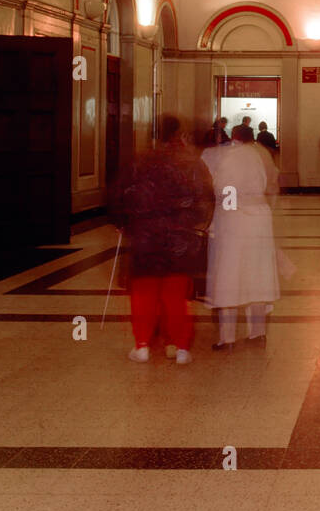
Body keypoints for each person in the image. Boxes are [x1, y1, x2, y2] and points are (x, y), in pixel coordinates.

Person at [109, 115, 215, 365]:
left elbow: (118, 196)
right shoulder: (190, 163)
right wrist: (194, 223)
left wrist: (122, 223)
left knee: (144, 292)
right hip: (178, 239)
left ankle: (142, 345)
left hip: (145, 238)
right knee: (176, 295)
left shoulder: (138, 161)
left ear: (152, 133)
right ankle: (178, 347)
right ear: (178, 133)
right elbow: (205, 198)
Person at [201, 123, 280, 349]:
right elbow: (271, 184)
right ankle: (258, 332)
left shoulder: (230, 157)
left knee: (229, 277)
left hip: (234, 224)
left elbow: (225, 191)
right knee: (258, 275)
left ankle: (227, 337)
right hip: (261, 221)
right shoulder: (260, 155)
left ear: (234, 138)